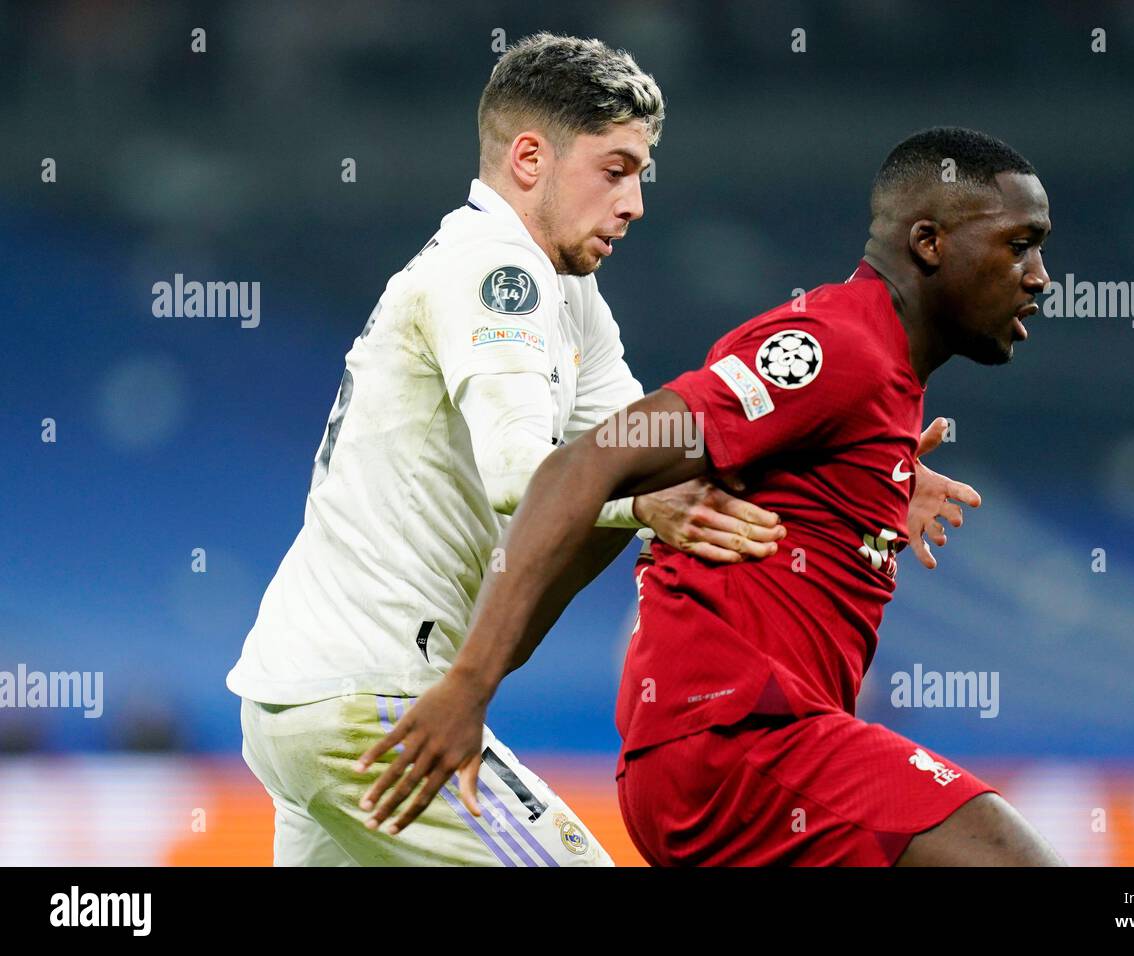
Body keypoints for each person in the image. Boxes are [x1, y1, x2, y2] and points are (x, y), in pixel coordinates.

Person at [354, 127, 1062, 866]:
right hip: (738, 747)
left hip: (717, 755)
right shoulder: (833, 348)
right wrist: (470, 684)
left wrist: (872, 485)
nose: (1040, 276)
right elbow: (581, 469)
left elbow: (657, 503)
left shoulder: (877, 386)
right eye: (1020, 244)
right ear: (929, 242)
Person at [225, 32, 789, 867]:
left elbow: (652, 439)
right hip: (371, 696)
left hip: (304, 699)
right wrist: (641, 508)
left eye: (641, 174)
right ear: (530, 157)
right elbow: (520, 476)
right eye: (615, 168)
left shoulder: (568, 294)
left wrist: (853, 446)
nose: (635, 202)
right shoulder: (498, 273)